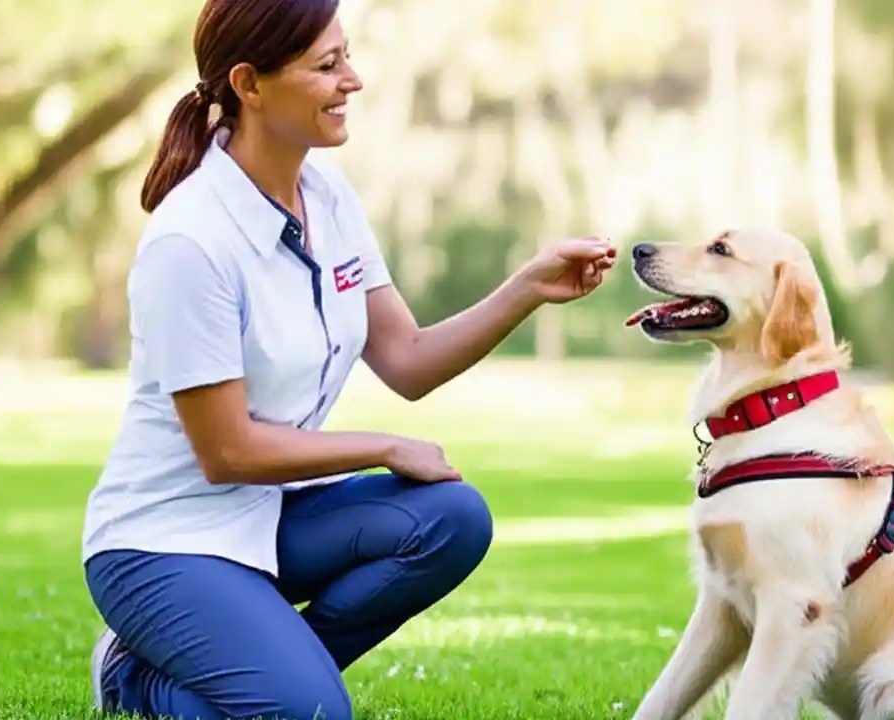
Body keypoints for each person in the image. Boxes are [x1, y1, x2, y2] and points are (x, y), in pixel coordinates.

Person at [80, 1, 617, 718]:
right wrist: (385, 446)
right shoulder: (191, 240)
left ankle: (257, 671)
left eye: (347, 58)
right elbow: (226, 451)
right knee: (311, 714)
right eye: (327, 66)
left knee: (453, 517)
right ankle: (134, 678)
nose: (353, 81)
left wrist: (528, 290)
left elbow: (408, 359)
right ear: (250, 84)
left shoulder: (329, 200)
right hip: (164, 544)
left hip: (267, 519)